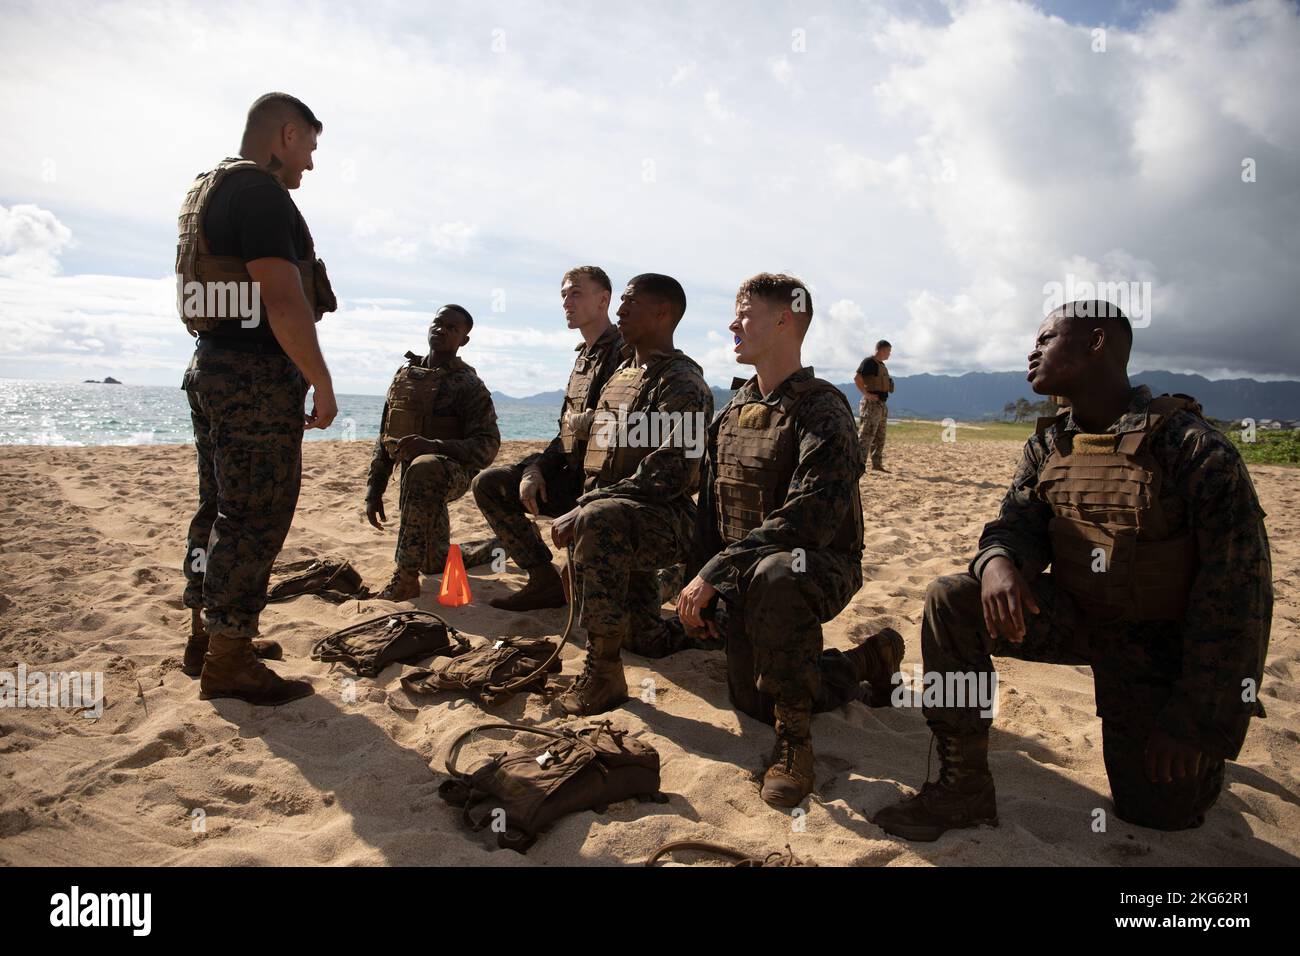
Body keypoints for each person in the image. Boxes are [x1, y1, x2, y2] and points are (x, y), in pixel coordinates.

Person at [873, 300, 1272, 840]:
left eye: (1046, 339)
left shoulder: (1192, 448)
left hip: (1157, 647)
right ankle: (962, 785)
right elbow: (1016, 524)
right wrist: (997, 563)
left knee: (1159, 812)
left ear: (1096, 343)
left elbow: (1238, 599)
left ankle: (1197, 764)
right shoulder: (1048, 443)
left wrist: (1195, 722)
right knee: (953, 597)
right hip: (1076, 615)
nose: (1031, 351)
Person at [677, 273, 903, 808]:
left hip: (813, 567)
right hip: (743, 576)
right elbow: (710, 510)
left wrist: (715, 574)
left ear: (784, 320)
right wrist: (698, 579)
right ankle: (869, 661)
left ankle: (794, 745)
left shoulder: (823, 409)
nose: (733, 323)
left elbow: (810, 519)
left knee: (781, 571)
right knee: (756, 698)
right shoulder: (732, 409)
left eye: (745, 313)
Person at [178, 92, 338, 706]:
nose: (311, 166)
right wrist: (321, 381)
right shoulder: (262, 194)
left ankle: (208, 635)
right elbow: (282, 296)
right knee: (256, 517)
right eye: (311, 149)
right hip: (253, 378)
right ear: (287, 135)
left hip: (213, 365)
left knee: (217, 507)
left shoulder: (209, 189)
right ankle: (230, 660)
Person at [549, 274, 713, 714]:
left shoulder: (682, 382)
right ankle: (712, 627)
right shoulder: (622, 373)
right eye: (619, 303)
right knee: (644, 639)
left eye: (629, 304)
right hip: (619, 513)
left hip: (665, 517)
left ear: (662, 313)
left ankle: (603, 674)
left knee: (597, 521)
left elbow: (672, 473)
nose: (618, 312)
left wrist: (585, 511)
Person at [471, 267, 624, 611]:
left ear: (603, 300)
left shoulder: (624, 353)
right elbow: (567, 433)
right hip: (571, 475)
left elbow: (625, 431)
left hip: (606, 484)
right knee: (490, 483)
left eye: (576, 294)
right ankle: (543, 580)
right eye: (563, 296)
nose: (567, 302)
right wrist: (536, 469)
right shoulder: (583, 357)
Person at [365, 306, 501, 600]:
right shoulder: (405, 377)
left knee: (424, 467)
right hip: (414, 479)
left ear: (464, 340)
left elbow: (487, 445)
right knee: (434, 561)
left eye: (453, 328)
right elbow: (385, 435)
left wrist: (436, 446)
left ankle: (405, 579)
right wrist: (374, 490)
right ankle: (499, 546)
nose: (442, 330)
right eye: (439, 323)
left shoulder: (469, 385)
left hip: (450, 472)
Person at [855, 340, 893, 471]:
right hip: (871, 404)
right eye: (888, 351)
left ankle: (877, 465)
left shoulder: (881, 365)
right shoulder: (869, 362)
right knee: (866, 435)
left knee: (880, 436)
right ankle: (858, 464)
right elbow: (857, 378)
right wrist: (867, 394)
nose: (889, 354)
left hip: (881, 404)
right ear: (881, 350)